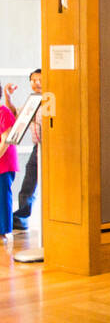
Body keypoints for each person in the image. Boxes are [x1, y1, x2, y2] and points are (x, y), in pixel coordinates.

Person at [11, 69, 40, 231]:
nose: (37, 83)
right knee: (29, 181)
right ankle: (21, 217)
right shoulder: (32, 102)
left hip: (56, 147)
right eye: (33, 80)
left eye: (40, 79)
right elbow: (16, 116)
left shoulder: (52, 99)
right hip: (38, 147)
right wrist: (9, 97)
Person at [0, 82, 19, 245]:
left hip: (4, 159)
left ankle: (3, 231)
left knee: (2, 194)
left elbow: (6, 140)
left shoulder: (4, 112)